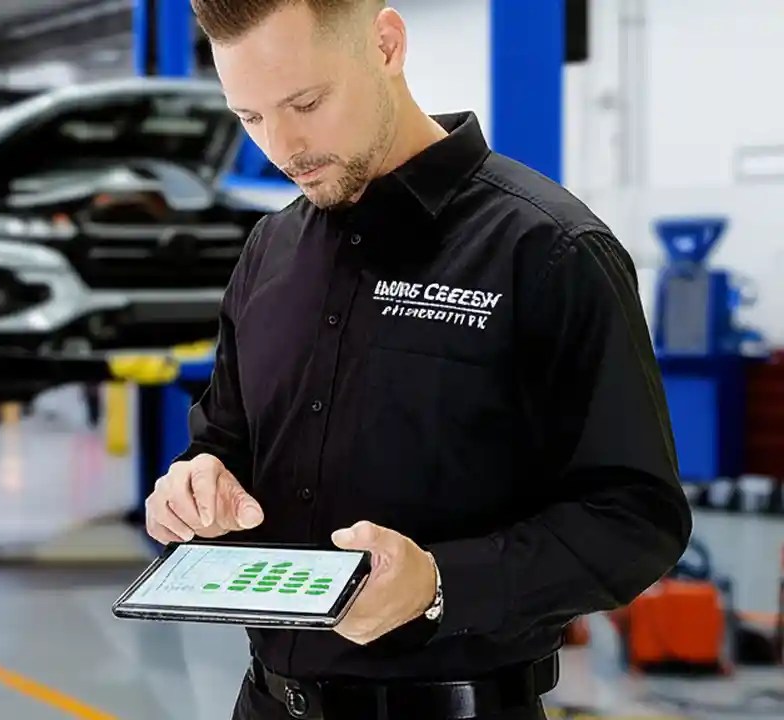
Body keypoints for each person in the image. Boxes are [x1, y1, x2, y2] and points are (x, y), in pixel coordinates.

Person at [143, 1, 694, 719]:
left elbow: (638, 519)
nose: (283, 147)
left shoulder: (548, 252)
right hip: (266, 704)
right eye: (249, 117)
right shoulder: (268, 254)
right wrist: (195, 484)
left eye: (306, 102)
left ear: (386, 44)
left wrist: (440, 584)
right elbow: (224, 440)